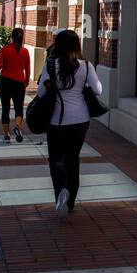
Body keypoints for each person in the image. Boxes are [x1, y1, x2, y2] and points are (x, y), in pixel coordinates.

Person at [36, 28, 103, 219]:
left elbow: (41, 92)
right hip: (80, 121)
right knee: (73, 158)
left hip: (56, 120)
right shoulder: (86, 66)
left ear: (58, 45)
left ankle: (60, 191)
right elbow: (98, 90)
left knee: (56, 158)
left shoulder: (50, 65)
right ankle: (72, 199)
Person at [0, 27, 30, 143]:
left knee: (5, 108)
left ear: (11, 36)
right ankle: (18, 127)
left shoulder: (5, 50)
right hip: (19, 83)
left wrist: (0, 54)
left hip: (5, 82)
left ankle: (7, 135)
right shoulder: (25, 51)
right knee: (19, 108)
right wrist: (26, 82)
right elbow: (27, 69)